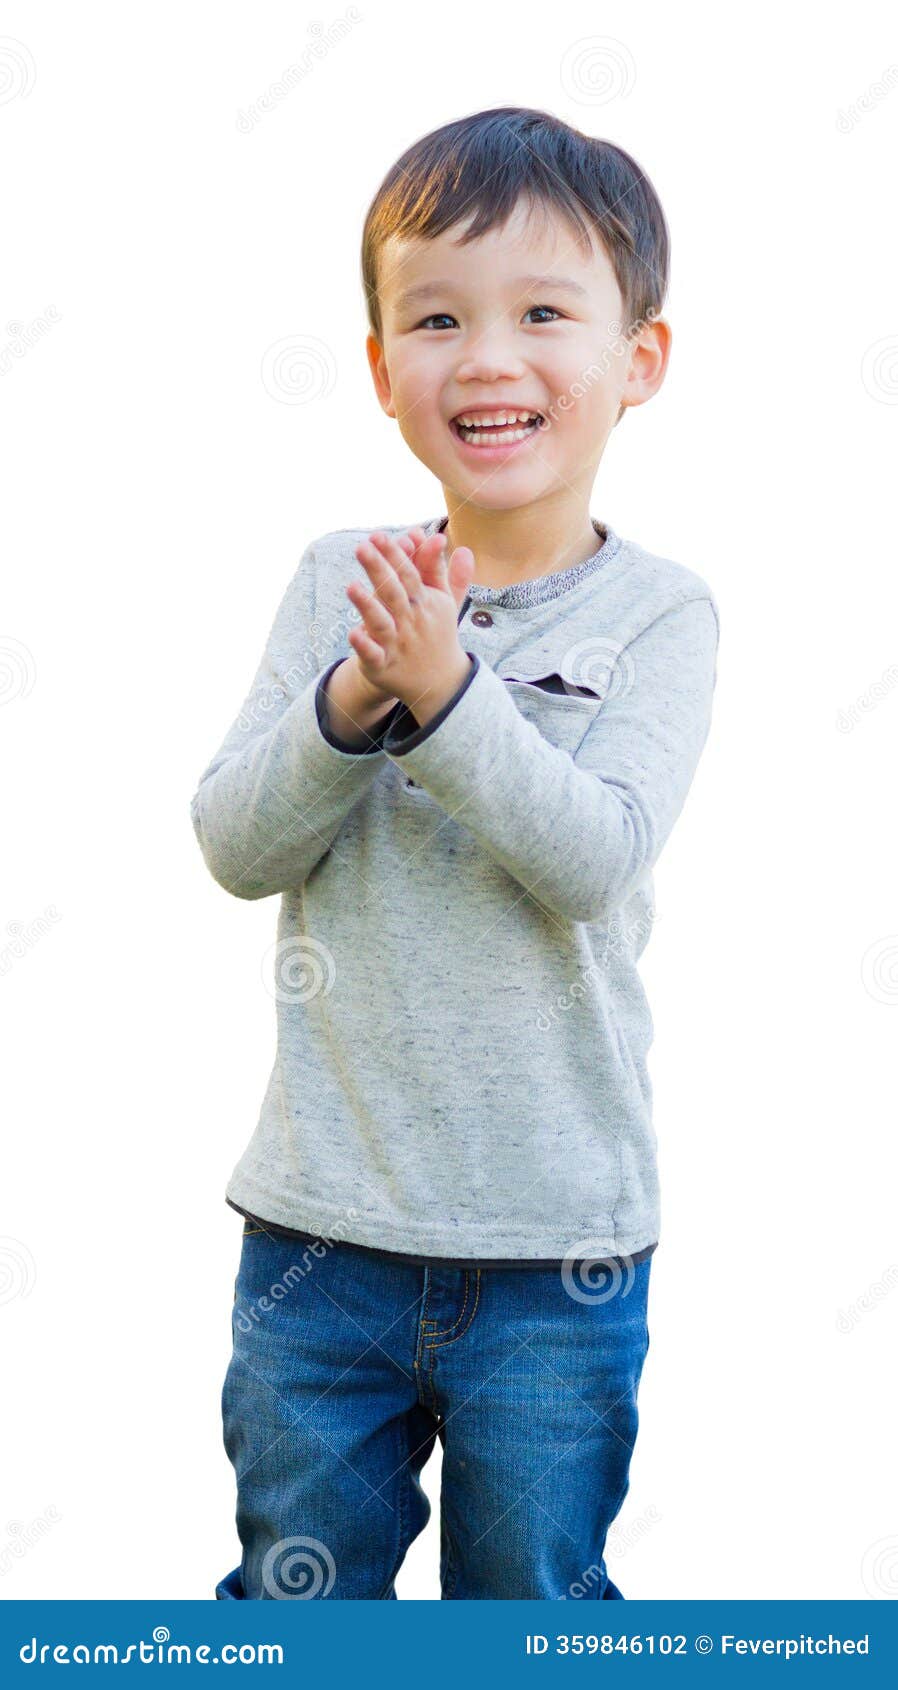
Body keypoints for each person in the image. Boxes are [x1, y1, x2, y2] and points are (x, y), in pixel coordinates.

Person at [190, 105, 720, 1601]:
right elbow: (234, 842)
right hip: (319, 1239)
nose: (484, 355)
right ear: (380, 372)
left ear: (638, 362)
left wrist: (447, 695)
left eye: (542, 312)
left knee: (527, 1607)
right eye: (434, 317)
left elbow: (592, 857)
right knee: (297, 1601)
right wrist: (353, 699)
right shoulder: (335, 586)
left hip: (559, 1253)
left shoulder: (660, 616)